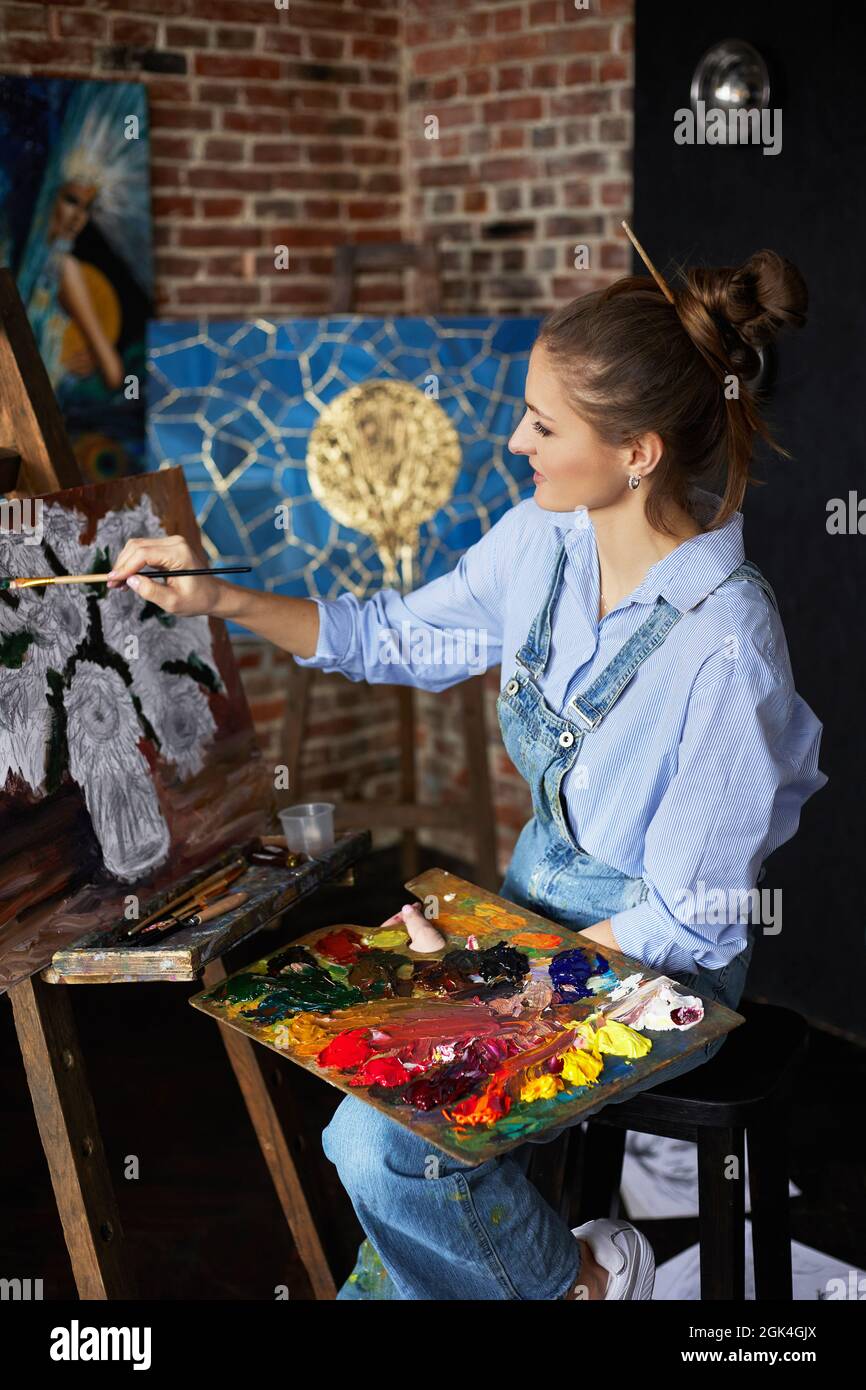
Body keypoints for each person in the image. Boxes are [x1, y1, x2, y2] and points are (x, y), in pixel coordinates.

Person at [109, 250, 828, 1300]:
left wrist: (488, 973)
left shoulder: (727, 644)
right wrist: (216, 599)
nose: (513, 440)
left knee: (378, 1145)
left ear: (635, 451)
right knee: (376, 1075)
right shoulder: (543, 540)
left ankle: (579, 1280)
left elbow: (690, 913)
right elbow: (393, 635)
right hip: (531, 914)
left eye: (543, 424)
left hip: (655, 967)